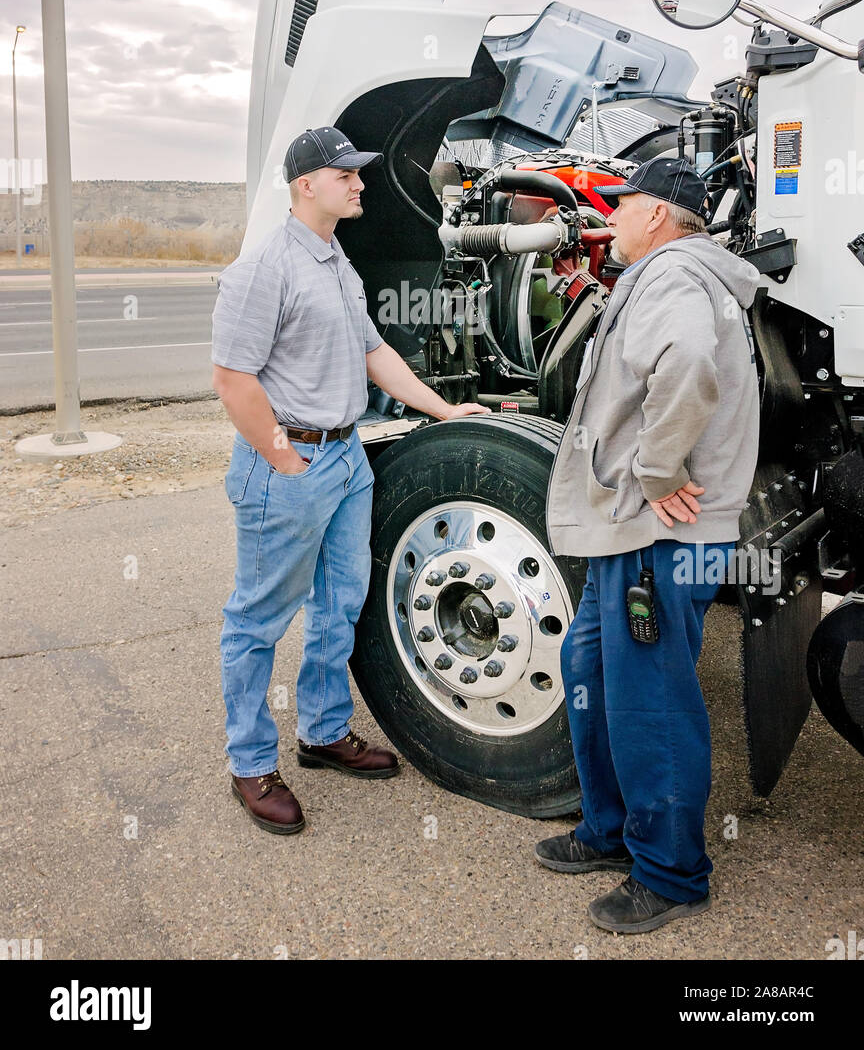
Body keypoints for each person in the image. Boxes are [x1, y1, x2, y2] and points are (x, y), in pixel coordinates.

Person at [211, 125, 484, 835]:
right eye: (347, 175)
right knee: (257, 621)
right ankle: (250, 764)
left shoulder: (334, 259)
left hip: (346, 460)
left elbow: (374, 351)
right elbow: (232, 379)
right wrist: (281, 459)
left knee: (341, 608)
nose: (360, 183)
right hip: (291, 463)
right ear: (307, 184)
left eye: (358, 174)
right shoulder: (263, 267)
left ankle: (325, 733)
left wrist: (444, 407)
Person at [539, 157, 761, 932]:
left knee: (650, 698)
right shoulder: (679, 272)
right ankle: (610, 830)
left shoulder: (672, 277)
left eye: (623, 205)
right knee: (589, 666)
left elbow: (688, 364)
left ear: (659, 214)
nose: (613, 217)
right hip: (631, 529)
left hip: (659, 528)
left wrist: (657, 469)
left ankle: (670, 872)